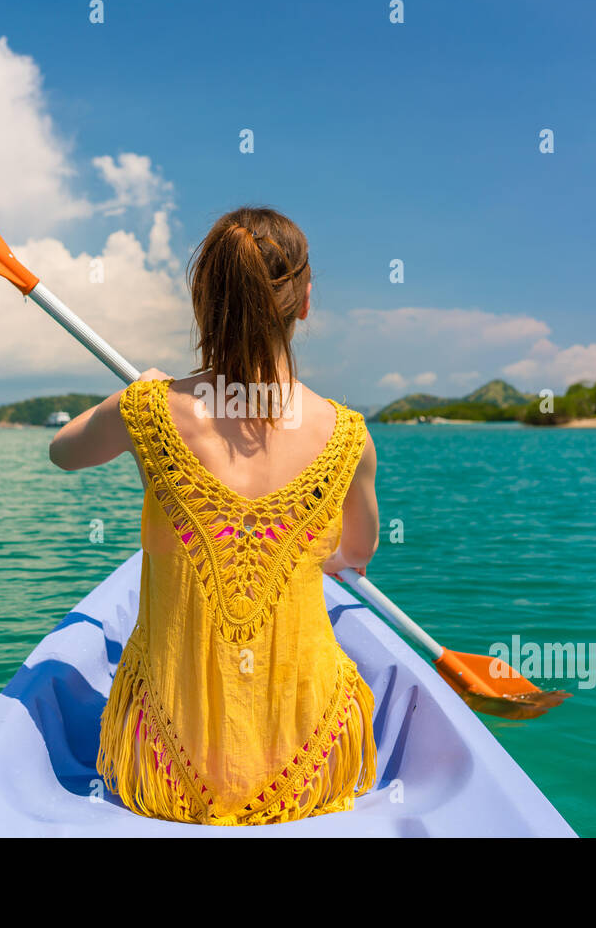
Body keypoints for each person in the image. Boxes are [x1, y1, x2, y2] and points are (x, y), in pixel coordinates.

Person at [49, 207, 379, 825]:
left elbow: (62, 452)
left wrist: (138, 393)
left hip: (168, 772)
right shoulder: (349, 438)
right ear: (305, 302)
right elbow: (357, 555)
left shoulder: (148, 409)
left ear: (205, 304)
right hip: (310, 765)